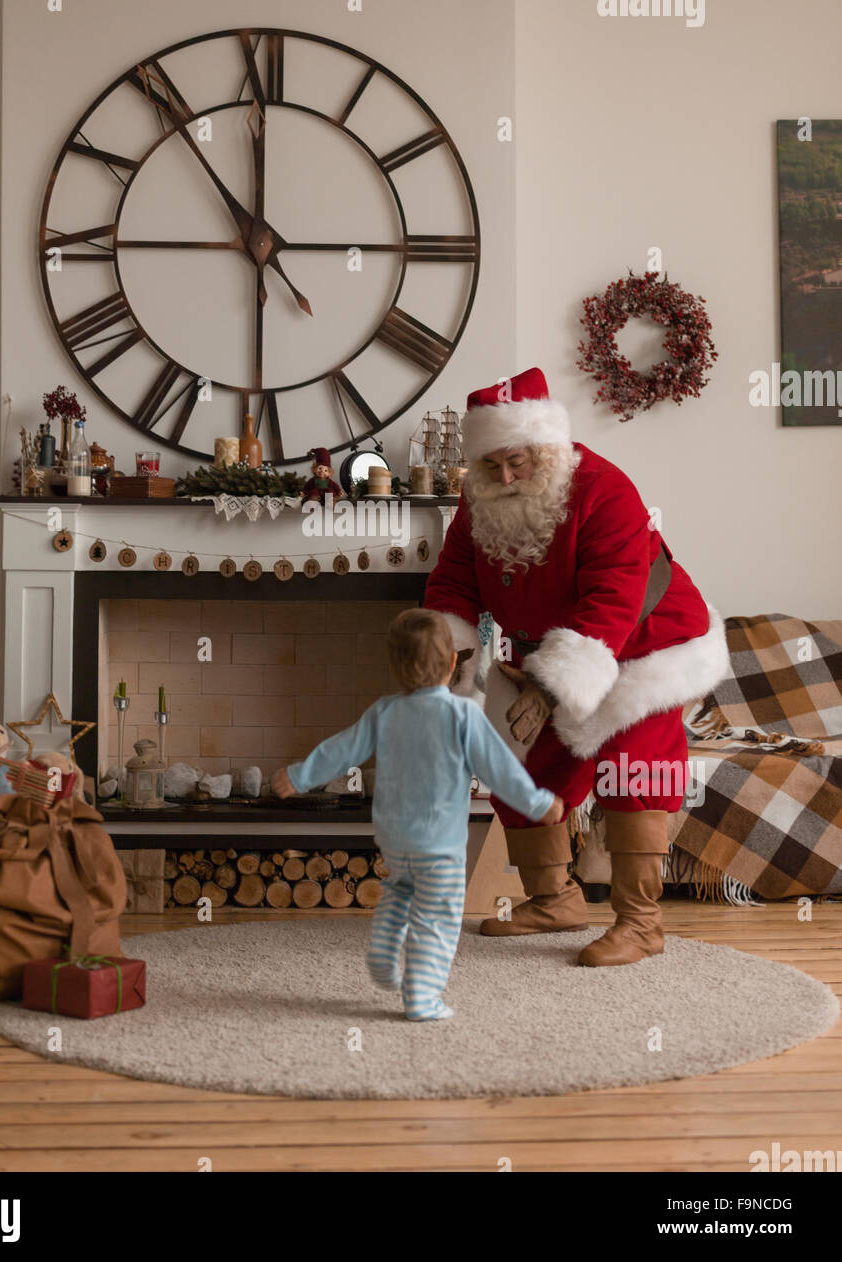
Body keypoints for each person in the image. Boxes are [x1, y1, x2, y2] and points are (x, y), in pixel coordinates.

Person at [424, 367, 729, 967]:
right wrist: (446, 656)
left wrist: (547, 684)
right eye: (493, 466)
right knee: (518, 759)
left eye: (519, 462)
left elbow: (616, 596)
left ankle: (642, 924)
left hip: (645, 646)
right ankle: (554, 900)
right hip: (548, 654)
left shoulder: (604, 488)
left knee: (632, 770)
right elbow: (456, 579)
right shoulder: (479, 499)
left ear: (547, 448)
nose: (507, 478)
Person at [271, 608, 562, 1021]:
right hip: (439, 846)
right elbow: (501, 769)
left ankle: (384, 953)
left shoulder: (385, 712)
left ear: (396, 668)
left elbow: (342, 748)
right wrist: (537, 803)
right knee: (438, 918)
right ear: (450, 664)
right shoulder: (462, 715)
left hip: (394, 839)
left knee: (401, 891)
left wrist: (299, 776)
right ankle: (422, 997)